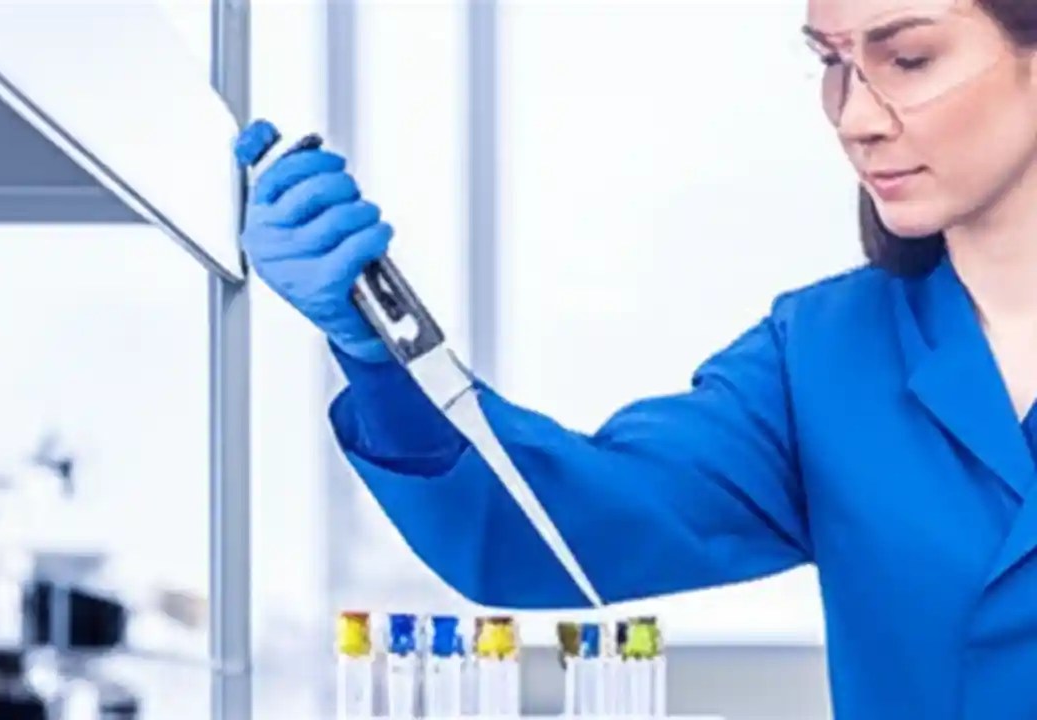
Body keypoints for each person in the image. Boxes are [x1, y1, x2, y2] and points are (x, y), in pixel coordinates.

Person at [237, 0, 1037, 717]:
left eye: (908, 60)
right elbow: (553, 527)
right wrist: (379, 348)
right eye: (831, 64)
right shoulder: (827, 354)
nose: (855, 116)